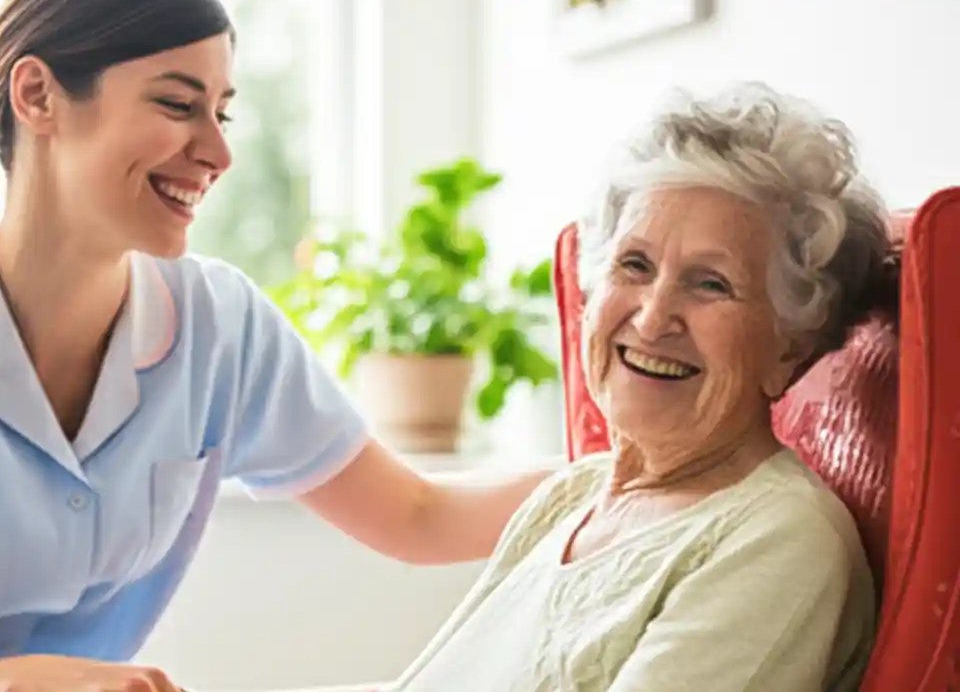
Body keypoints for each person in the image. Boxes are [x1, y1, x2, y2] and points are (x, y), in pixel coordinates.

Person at [0, 0, 547, 690]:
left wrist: (606, 481)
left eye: (222, 113)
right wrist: (27, 681)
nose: (217, 152)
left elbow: (416, 515)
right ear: (37, 95)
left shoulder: (221, 327)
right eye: (178, 104)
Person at [382, 83, 891, 691]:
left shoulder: (779, 541)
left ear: (790, 348)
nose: (652, 320)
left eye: (711, 284)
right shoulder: (571, 496)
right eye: (635, 265)